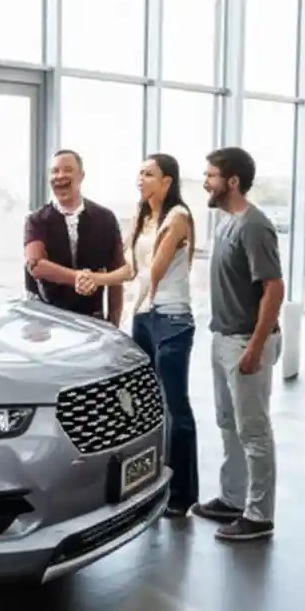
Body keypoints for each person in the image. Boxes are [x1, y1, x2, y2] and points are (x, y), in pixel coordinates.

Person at [75, 153, 199, 517]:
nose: (140, 180)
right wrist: (95, 278)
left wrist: (154, 236)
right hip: (144, 317)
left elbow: (154, 271)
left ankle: (182, 493)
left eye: (148, 174)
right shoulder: (143, 218)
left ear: (167, 182)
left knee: (176, 406)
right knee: (150, 405)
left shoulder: (179, 218)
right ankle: (154, 482)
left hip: (171, 318)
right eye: (139, 174)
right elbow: (130, 270)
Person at [191, 146, 284, 542]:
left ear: (231, 182)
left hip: (247, 342)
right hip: (223, 337)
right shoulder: (225, 222)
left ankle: (260, 516)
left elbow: (274, 290)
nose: (206, 182)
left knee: (254, 431)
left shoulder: (254, 226)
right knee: (228, 423)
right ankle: (232, 499)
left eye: (210, 176)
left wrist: (254, 348)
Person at [23, 149, 125, 326]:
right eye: (55, 171)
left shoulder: (105, 218)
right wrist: (77, 277)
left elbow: (116, 275)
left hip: (93, 320)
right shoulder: (36, 220)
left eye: (68, 170)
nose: (60, 176)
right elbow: (36, 265)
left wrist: (114, 323)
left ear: (81, 176)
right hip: (47, 320)